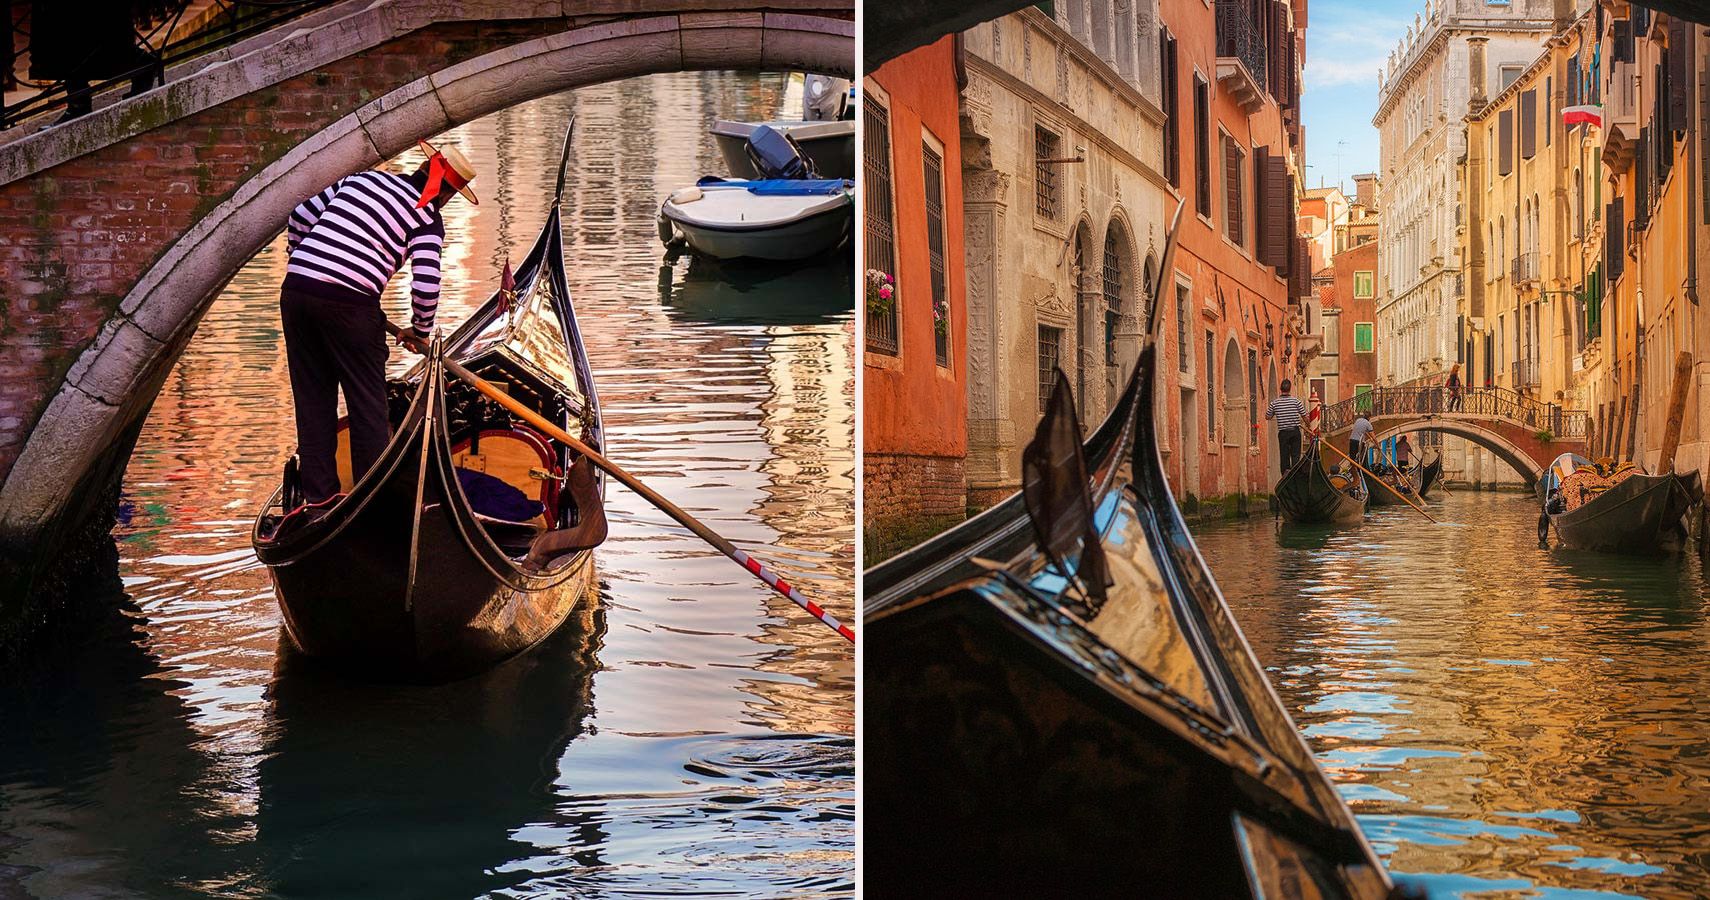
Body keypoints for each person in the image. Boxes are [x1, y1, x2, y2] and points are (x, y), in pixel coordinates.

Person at [281, 139, 478, 506]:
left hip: (296, 292)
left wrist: (304, 257)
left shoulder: (362, 180)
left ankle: (318, 501)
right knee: (368, 406)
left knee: (313, 402)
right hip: (352, 305)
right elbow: (426, 284)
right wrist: (419, 332)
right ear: (448, 192)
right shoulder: (426, 219)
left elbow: (301, 214)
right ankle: (374, 504)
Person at [1265, 379, 1307, 473]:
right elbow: (1305, 416)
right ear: (1290, 389)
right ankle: (1295, 476)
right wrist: (1309, 426)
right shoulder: (1296, 402)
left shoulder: (1274, 403)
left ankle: (1285, 476)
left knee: (1284, 456)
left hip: (1283, 433)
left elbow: (1267, 417)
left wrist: (1275, 413)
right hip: (1295, 432)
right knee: (1295, 456)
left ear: (1281, 389)